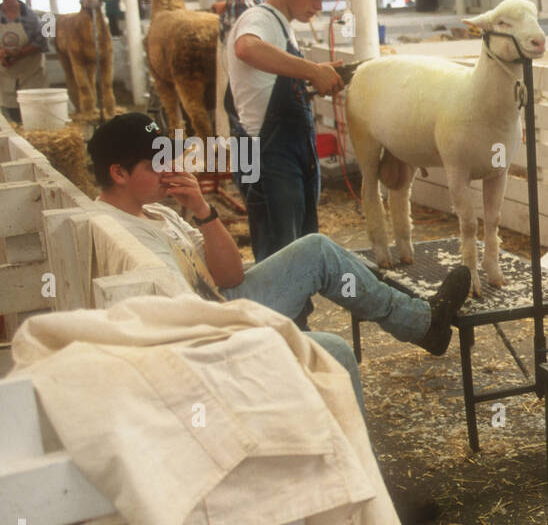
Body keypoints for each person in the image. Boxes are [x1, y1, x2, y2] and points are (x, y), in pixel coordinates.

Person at [86, 112, 471, 418]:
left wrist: (203, 211)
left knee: (317, 249)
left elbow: (230, 275)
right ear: (119, 173)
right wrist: (269, 331)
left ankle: (423, 324)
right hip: (211, 337)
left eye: (171, 159)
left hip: (222, 302)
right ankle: (370, 491)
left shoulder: (156, 213)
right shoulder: (119, 236)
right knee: (333, 352)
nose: (172, 171)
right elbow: (183, 326)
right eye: (157, 165)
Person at [227, 0, 345, 264]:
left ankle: (293, 312)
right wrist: (310, 70)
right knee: (280, 256)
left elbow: (267, 81)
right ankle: (281, 313)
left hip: (280, 148)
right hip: (264, 152)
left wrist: (316, 74)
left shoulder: (282, 26)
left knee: (295, 247)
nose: (318, 6)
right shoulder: (259, 18)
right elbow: (246, 47)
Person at [213, 0, 272, 137]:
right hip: (272, 80)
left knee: (248, 146)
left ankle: (248, 168)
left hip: (249, 86)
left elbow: (243, 48)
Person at [0, 0, 49, 123]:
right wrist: (2, 54)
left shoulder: (31, 17)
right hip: (6, 71)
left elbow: (41, 41)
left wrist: (19, 53)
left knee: (32, 109)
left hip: (30, 70)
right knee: (10, 107)